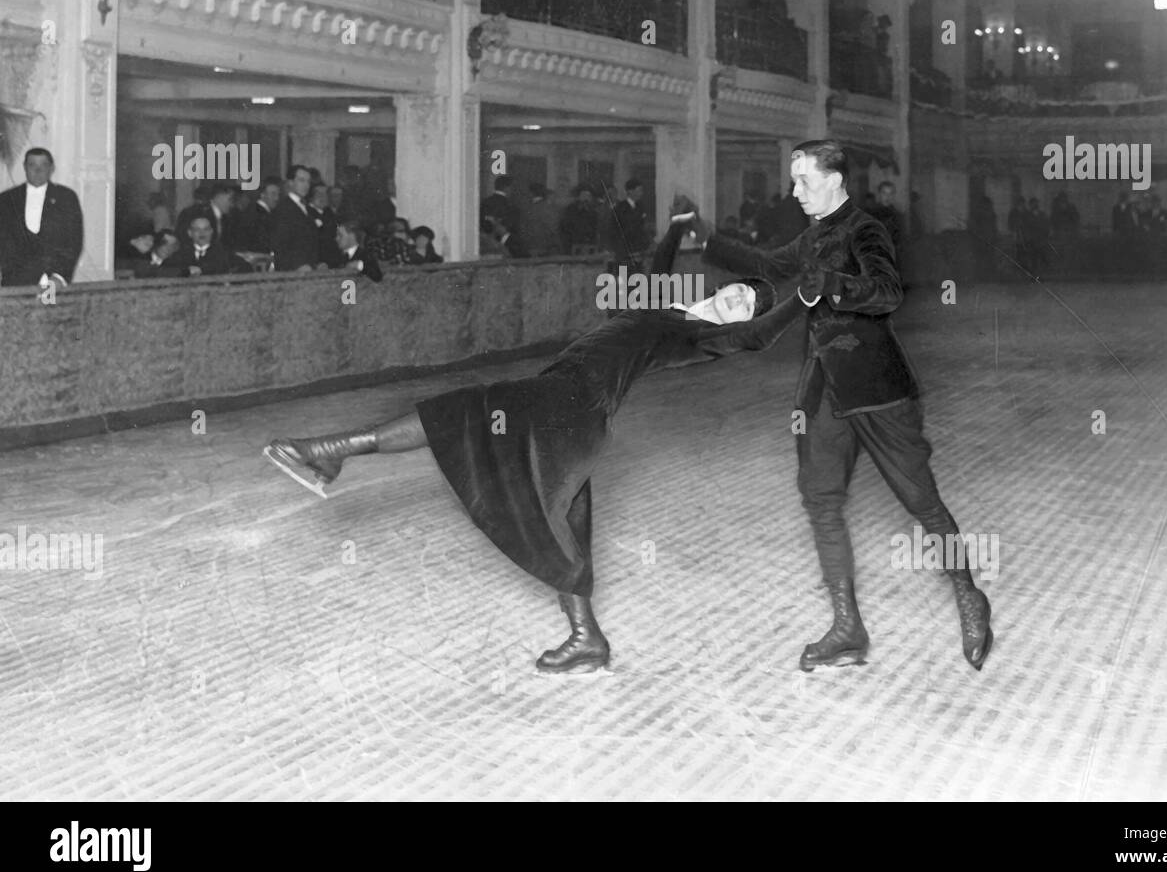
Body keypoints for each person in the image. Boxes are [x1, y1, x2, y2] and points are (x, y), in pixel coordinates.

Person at [264, 207, 798, 674]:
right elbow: (653, 272)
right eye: (733, 290)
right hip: (566, 407)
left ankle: (330, 452)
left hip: (571, 406)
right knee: (564, 518)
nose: (731, 298)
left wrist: (805, 299)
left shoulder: (698, 339)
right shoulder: (668, 311)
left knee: (465, 411)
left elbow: (759, 335)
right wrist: (676, 230)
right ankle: (587, 638)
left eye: (741, 303)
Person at [690, 139, 993, 674]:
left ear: (835, 179)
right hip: (824, 389)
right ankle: (847, 628)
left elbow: (886, 291)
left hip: (877, 387)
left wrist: (829, 283)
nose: (795, 191)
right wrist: (707, 237)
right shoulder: (813, 236)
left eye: (804, 180)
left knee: (921, 502)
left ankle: (969, 595)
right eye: (793, 181)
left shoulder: (865, 229)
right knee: (821, 499)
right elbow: (766, 263)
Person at [0, 147, 84, 288]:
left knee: (48, 308)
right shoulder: (7, 199)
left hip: (50, 281)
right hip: (14, 279)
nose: (37, 170)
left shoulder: (66, 198)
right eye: (32, 165)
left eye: (43, 165)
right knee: (15, 310)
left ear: (51, 168)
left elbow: (74, 240)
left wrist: (59, 276)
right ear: (25, 167)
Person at [270, 164, 322, 271]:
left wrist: (319, 263)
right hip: (292, 270)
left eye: (308, 181)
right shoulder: (282, 209)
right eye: (301, 180)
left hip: (310, 268)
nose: (306, 185)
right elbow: (280, 246)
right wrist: (298, 265)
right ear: (291, 182)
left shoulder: (309, 209)